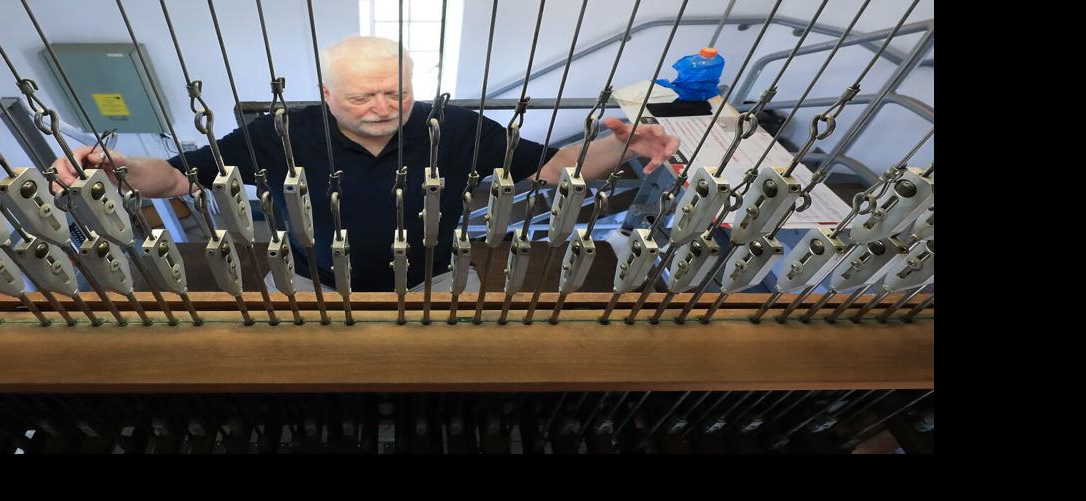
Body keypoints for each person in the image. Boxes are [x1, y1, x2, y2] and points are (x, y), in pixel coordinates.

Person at [50, 35, 680, 292]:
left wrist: (621, 146)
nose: (382, 107)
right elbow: (183, 175)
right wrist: (118, 167)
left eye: (396, 91)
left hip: (438, 279)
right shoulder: (280, 132)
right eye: (361, 96)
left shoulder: (454, 125)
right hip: (309, 282)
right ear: (327, 96)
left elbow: (550, 168)